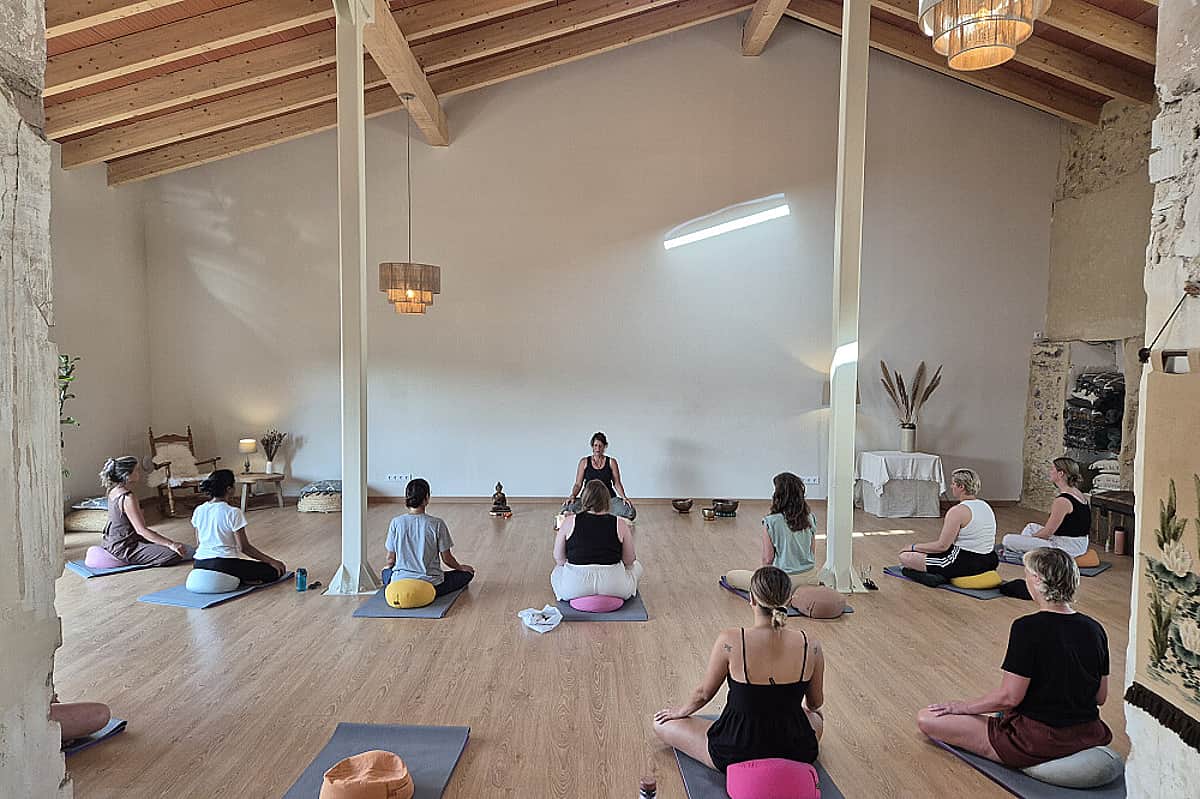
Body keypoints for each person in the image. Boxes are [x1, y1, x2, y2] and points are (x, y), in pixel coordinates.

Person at [917, 548, 1112, 768]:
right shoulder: (1095, 629)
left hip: (1036, 740)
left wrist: (961, 707)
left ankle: (1015, 754)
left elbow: (1009, 698)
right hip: (1089, 733)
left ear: (1037, 580)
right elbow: (1100, 697)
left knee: (927, 717)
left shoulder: (1027, 628)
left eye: (1027, 574)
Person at [653, 566, 825, 773]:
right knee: (816, 718)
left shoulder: (731, 640)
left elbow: (704, 694)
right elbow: (815, 703)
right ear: (788, 601)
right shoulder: (811, 644)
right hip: (796, 751)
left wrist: (680, 711)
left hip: (735, 751)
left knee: (660, 723)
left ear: (751, 599)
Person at [899, 468, 998, 578]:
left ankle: (936, 577)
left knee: (905, 557)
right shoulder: (985, 505)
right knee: (931, 554)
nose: (951, 487)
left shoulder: (957, 511)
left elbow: (942, 546)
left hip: (966, 563)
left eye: (953, 484)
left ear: (961, 487)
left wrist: (913, 547)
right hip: (991, 560)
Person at [552, 479, 642, 600]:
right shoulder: (620, 523)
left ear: (585, 499)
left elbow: (559, 559)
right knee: (637, 567)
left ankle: (572, 591)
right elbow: (629, 560)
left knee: (556, 571)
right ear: (607, 500)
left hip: (575, 587)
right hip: (613, 586)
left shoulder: (569, 521)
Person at [191, 469, 286, 583]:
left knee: (243, 567)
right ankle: (242, 579)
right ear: (229, 489)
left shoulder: (199, 510)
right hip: (223, 565)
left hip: (199, 563)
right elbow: (244, 548)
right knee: (273, 571)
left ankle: (240, 579)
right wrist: (272, 561)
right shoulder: (233, 512)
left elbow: (198, 543)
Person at [385, 478, 474, 596]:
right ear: (426, 498)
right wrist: (460, 567)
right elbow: (447, 559)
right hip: (431, 584)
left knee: (386, 572)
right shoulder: (437, 524)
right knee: (468, 573)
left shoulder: (396, 523)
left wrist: (390, 569)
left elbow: (390, 559)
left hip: (400, 582)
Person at [98, 456, 192, 566]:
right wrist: (171, 544)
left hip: (111, 542)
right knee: (174, 554)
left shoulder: (113, 491)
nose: (139, 473)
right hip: (124, 547)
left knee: (185, 549)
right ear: (127, 475)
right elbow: (141, 530)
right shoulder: (128, 498)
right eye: (136, 470)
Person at [1002, 458, 1091, 558]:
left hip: (1066, 547)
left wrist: (1032, 540)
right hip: (1079, 543)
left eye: (1052, 469)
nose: (1050, 472)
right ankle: (1026, 550)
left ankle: (1024, 552)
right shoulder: (1078, 493)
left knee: (1007, 539)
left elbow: (1047, 533)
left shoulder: (1062, 501)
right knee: (1030, 527)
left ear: (1060, 473)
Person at [563, 432, 636, 520]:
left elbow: (617, 483)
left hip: (608, 500)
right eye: (595, 445)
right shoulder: (584, 462)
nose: (597, 448)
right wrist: (573, 495)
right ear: (592, 446)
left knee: (630, 511)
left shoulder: (611, 462)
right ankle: (601, 514)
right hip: (588, 500)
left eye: (600, 446)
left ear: (605, 446)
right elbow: (578, 484)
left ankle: (589, 514)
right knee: (567, 507)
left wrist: (624, 497)